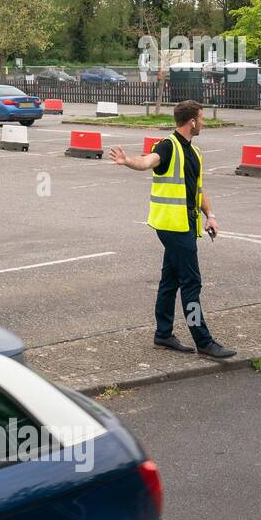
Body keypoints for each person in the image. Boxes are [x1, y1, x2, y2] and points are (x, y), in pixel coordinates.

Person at [108, 100, 236, 359]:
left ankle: (163, 335)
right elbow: (148, 162)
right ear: (192, 121)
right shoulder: (167, 146)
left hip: (186, 224)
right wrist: (127, 161)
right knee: (192, 282)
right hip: (172, 226)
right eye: (201, 118)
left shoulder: (195, 153)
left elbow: (197, 190)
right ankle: (203, 341)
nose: (203, 123)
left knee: (170, 279)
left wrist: (210, 215)